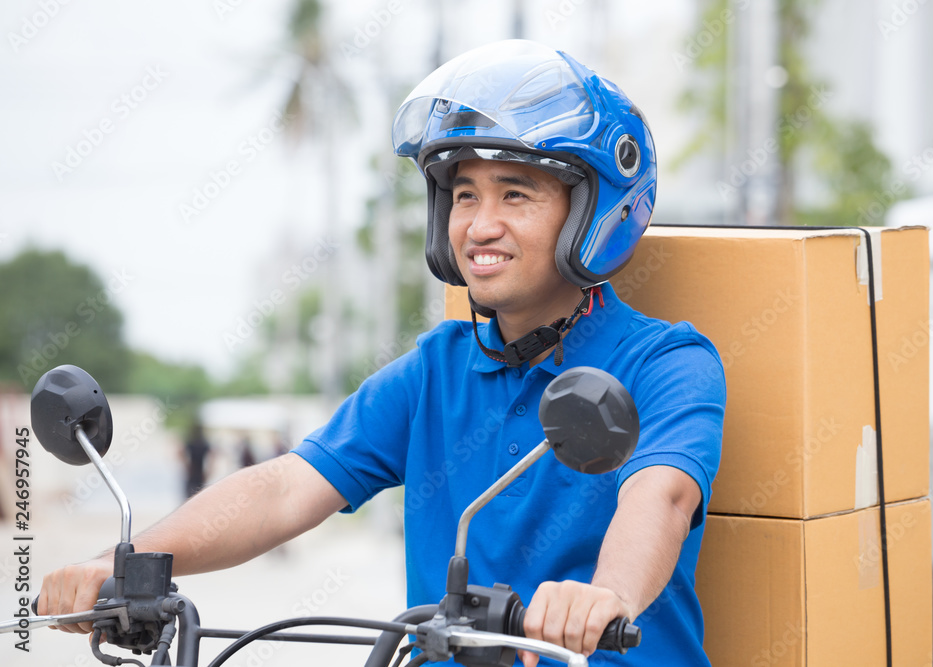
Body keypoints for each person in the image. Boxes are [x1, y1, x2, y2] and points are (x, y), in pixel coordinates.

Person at [38, 40, 725, 667]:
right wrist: (124, 564)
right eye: (463, 195)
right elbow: (285, 488)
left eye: (515, 193)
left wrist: (602, 595)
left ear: (595, 211)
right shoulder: (436, 371)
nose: (480, 224)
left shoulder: (667, 363)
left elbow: (659, 497)